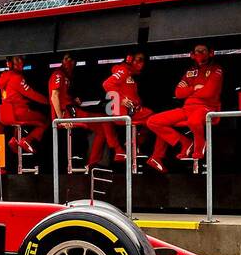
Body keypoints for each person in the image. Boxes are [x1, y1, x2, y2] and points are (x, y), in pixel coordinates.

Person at [146, 44, 224, 173]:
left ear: (210, 53)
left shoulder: (216, 69)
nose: (200, 53)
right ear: (192, 54)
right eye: (197, 51)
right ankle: (185, 142)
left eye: (203, 50)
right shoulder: (190, 71)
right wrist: (194, 88)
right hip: (186, 108)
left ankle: (199, 146)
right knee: (152, 121)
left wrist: (189, 92)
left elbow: (209, 92)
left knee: (194, 120)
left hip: (206, 108)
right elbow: (178, 93)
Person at [48, 53, 108, 165]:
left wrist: (73, 100)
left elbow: (64, 97)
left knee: (103, 123)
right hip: (66, 115)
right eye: (66, 59)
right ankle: (94, 162)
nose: (68, 62)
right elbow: (54, 96)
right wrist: (61, 119)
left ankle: (93, 163)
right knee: (103, 123)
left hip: (73, 111)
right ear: (62, 61)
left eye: (71, 60)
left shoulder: (67, 76)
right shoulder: (58, 74)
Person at [93, 52, 152, 167]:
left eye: (143, 60)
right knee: (154, 118)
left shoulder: (130, 73)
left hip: (130, 112)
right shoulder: (123, 70)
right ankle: (133, 145)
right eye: (139, 60)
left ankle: (127, 147)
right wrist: (121, 99)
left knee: (151, 117)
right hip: (125, 113)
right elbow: (107, 84)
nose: (141, 63)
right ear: (130, 60)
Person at [0, 56, 50, 153]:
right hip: (18, 113)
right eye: (17, 59)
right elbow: (32, 94)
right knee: (45, 120)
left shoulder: (4, 77)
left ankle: (14, 140)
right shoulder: (16, 78)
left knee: (19, 124)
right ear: (11, 63)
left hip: (6, 114)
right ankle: (28, 140)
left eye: (21, 59)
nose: (21, 61)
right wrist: (48, 101)